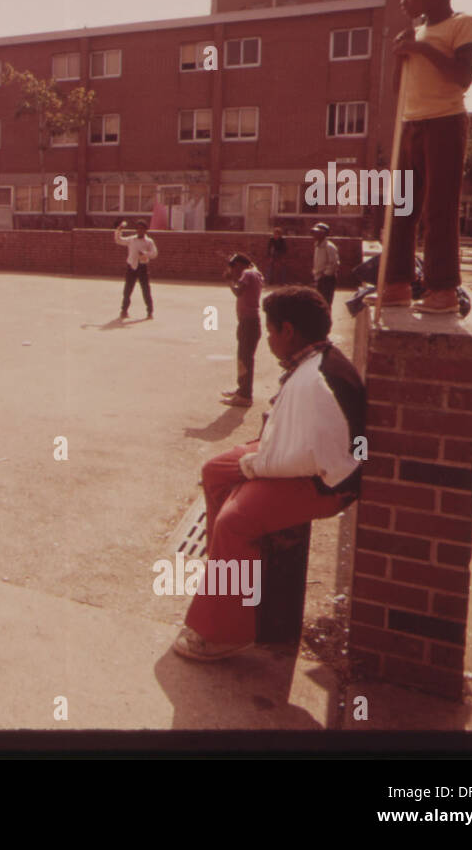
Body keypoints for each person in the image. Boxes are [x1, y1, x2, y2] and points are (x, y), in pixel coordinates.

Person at [174, 287, 364, 661]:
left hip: (325, 484)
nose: (268, 337)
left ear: (288, 331)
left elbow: (310, 460)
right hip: (298, 463)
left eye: (271, 329)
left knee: (234, 520)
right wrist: (256, 457)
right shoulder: (314, 360)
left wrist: (253, 464)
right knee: (214, 472)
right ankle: (227, 577)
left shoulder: (316, 381)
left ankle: (222, 632)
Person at [380, 0, 472, 314]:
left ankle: (443, 290)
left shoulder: (462, 24)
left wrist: (420, 49)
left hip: (445, 123)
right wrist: (401, 54)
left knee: (438, 208)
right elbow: (399, 88)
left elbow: (463, 76)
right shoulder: (416, 33)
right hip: (412, 124)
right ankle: (396, 284)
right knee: (401, 208)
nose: (403, 0)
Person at [221, 253, 265, 408]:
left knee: (245, 359)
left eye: (234, 267)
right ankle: (242, 389)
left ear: (240, 265)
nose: (233, 270)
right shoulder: (255, 272)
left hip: (248, 322)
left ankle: (245, 396)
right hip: (249, 322)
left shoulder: (247, 273)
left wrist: (229, 281)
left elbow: (238, 292)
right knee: (244, 357)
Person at [115, 219, 158, 319]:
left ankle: (149, 312)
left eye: (142, 229)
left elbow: (154, 253)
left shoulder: (149, 242)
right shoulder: (131, 239)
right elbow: (119, 240)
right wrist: (119, 230)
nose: (140, 231)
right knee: (127, 290)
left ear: (145, 230)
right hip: (131, 267)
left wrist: (145, 254)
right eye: (138, 228)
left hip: (142, 267)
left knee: (146, 290)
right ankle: (124, 311)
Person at [311, 223, 339, 307]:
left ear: (324, 234)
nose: (315, 235)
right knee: (319, 303)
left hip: (327, 279)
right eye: (314, 232)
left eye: (317, 232)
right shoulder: (317, 245)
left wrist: (324, 275)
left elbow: (334, 263)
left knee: (326, 303)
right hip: (319, 278)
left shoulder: (329, 246)